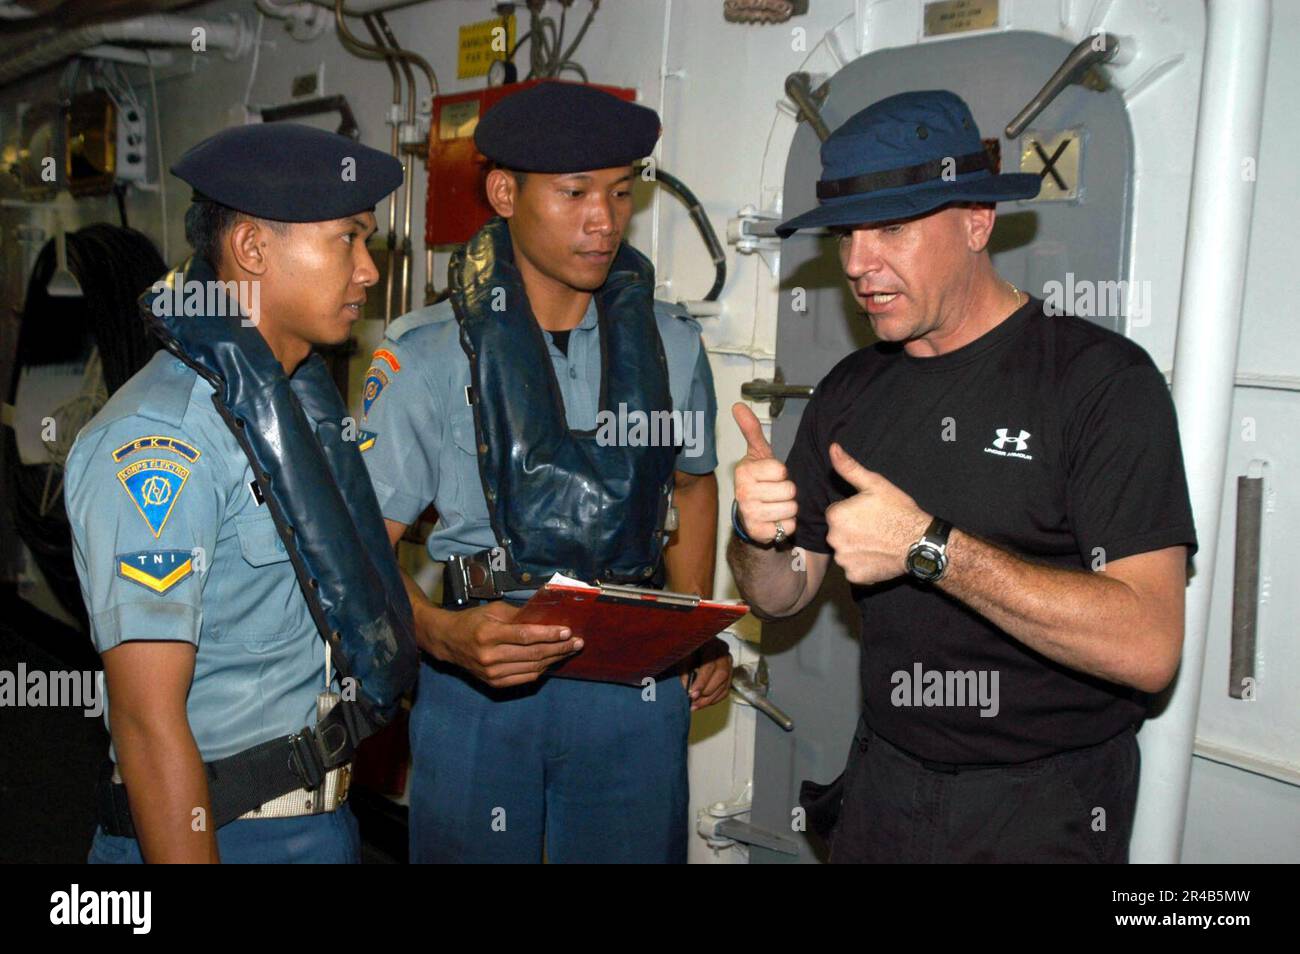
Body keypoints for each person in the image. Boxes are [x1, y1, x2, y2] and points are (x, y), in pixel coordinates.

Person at [727, 90, 1198, 863]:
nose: (856, 263)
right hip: (884, 785)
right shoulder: (850, 391)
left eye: (891, 228)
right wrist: (757, 533)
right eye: (847, 234)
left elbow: (1149, 646)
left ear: (977, 220)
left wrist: (928, 547)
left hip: (1041, 806)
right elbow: (780, 596)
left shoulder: (1100, 384)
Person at [360, 82, 728, 863]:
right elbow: (366, 546)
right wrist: (445, 638)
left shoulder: (671, 347)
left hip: (629, 679)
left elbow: (694, 485)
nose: (605, 220)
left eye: (622, 193)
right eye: (575, 193)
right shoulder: (426, 353)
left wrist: (684, 634)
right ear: (504, 193)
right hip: (482, 679)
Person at [65, 122, 417, 863]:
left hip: (319, 824)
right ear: (253, 250)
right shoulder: (162, 442)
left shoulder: (294, 413)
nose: (368, 272)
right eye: (347, 240)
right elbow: (146, 722)